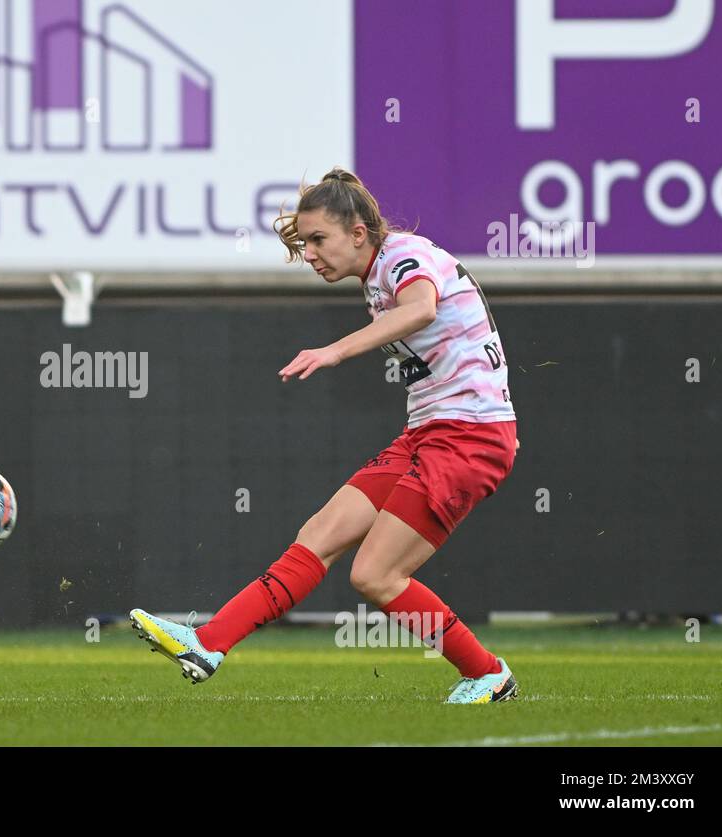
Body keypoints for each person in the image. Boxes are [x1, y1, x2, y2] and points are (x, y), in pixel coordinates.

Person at [130, 167, 521, 704]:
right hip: (430, 433)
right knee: (319, 534)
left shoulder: (403, 256)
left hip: (469, 437)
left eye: (318, 239)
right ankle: (208, 642)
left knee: (376, 576)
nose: (309, 253)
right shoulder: (378, 275)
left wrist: (334, 350)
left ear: (358, 233)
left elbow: (423, 307)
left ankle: (488, 673)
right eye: (305, 242)